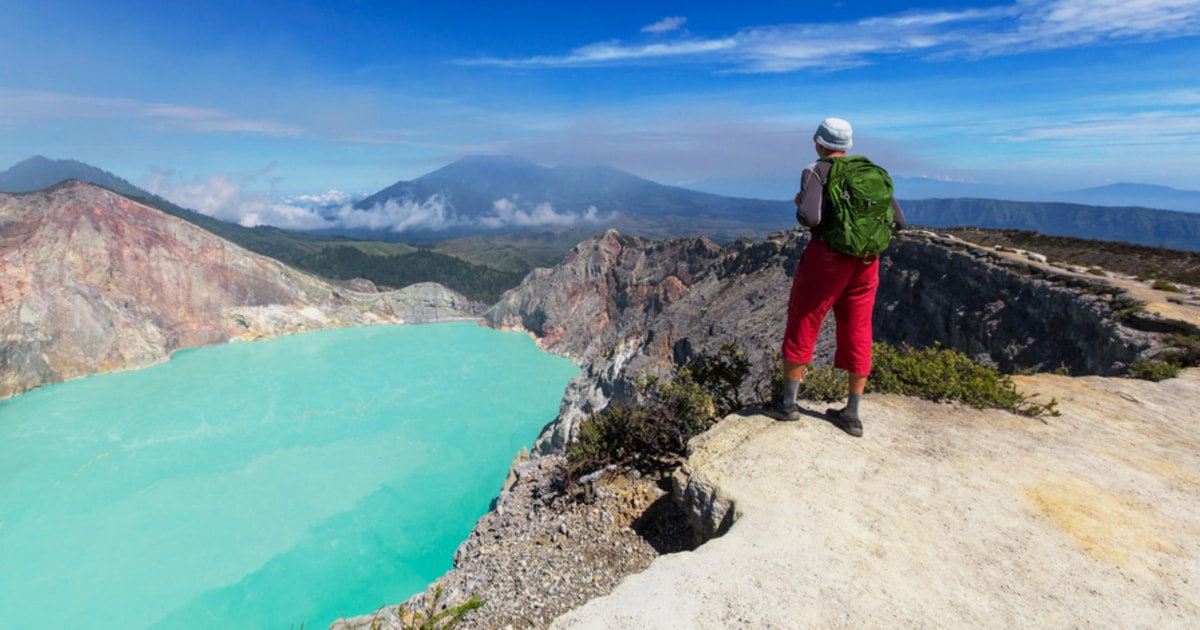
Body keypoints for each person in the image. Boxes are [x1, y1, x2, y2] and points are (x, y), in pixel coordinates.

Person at [765, 117, 905, 437]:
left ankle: (788, 404)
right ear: (848, 146)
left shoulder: (815, 170)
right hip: (867, 262)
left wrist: (801, 202)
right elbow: (899, 221)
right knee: (858, 328)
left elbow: (810, 217)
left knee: (805, 319)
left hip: (827, 259)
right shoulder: (873, 172)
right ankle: (852, 414)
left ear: (819, 142)